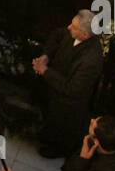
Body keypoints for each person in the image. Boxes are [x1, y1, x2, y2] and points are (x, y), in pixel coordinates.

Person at [34, 10, 103, 158]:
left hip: (67, 104)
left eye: (74, 26)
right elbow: (56, 35)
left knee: (60, 131)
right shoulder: (71, 32)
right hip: (54, 88)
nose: (69, 27)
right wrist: (46, 55)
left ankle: (56, 148)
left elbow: (72, 89)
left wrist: (45, 71)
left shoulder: (91, 60)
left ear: (85, 35)